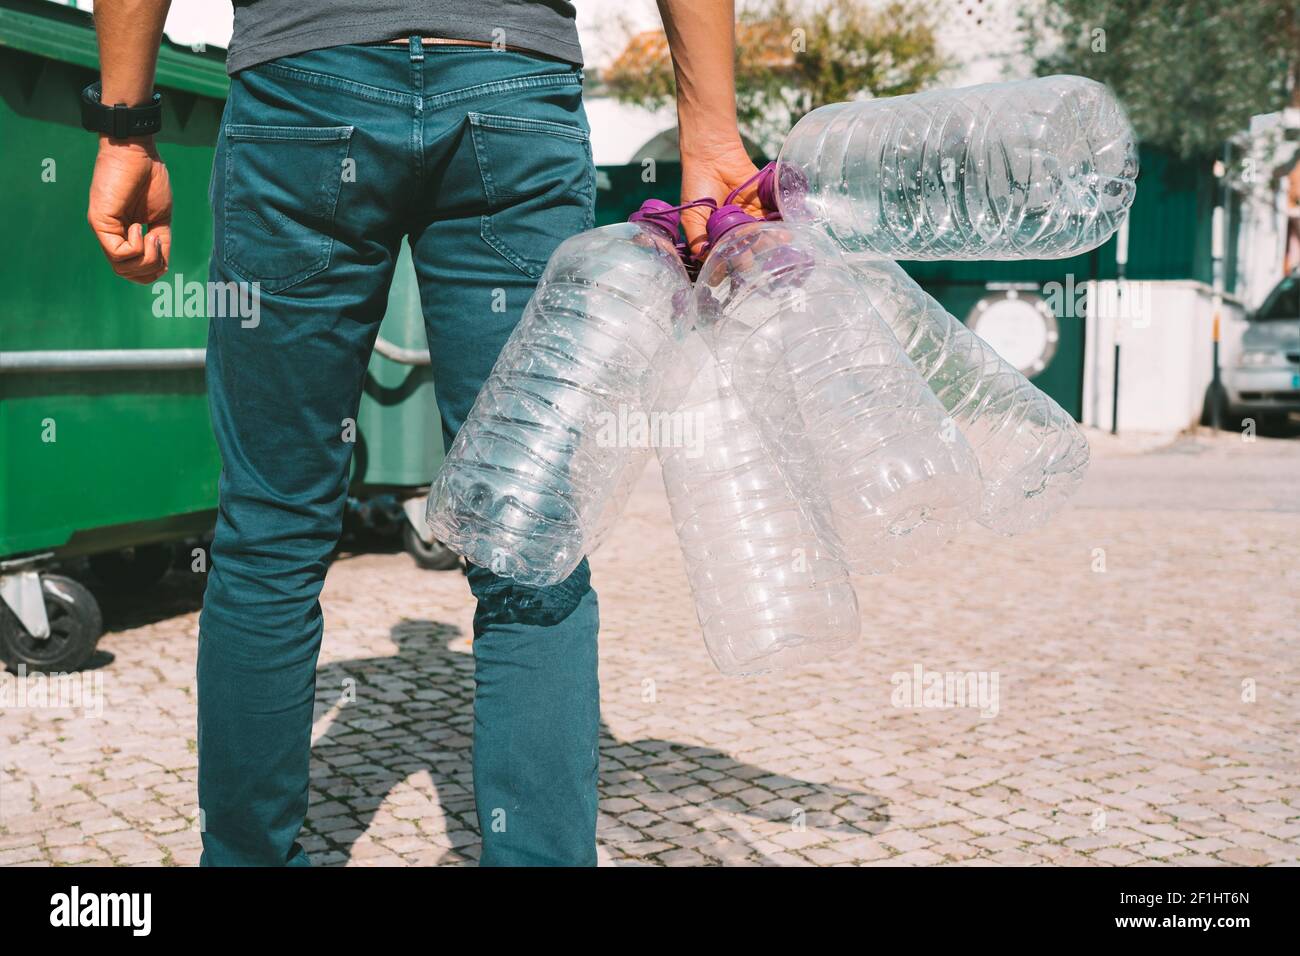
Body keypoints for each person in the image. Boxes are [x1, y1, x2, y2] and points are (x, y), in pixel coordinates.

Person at [85, 0, 761, 866]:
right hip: (508, 83)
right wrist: (707, 134)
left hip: (302, 88)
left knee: (271, 528)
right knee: (532, 542)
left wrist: (126, 130)